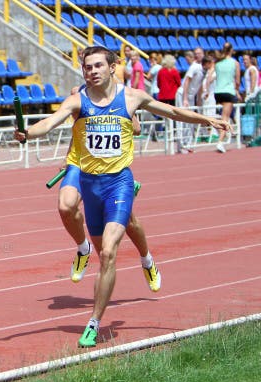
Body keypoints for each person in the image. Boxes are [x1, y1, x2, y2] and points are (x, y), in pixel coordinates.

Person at [14, 46, 230, 348]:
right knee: (104, 252)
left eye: (98, 66)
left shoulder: (132, 98)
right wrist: (27, 133)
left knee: (111, 253)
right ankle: (114, 254)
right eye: (87, 67)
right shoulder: (77, 100)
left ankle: (93, 321)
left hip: (119, 183)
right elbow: (49, 123)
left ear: (112, 67)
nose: (92, 71)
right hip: (90, 185)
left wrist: (208, 120)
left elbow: (173, 111)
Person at [59, 86, 159, 293]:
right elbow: (79, 130)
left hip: (111, 169)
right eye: (89, 66)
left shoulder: (122, 96)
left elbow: (137, 130)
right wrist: (68, 156)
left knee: (129, 222)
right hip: (80, 164)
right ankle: (82, 248)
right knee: (66, 207)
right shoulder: (77, 95)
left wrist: (115, 115)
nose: (93, 72)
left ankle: (147, 260)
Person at [175, 48, 205, 153]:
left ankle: (188, 144)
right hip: (183, 95)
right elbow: (187, 80)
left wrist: (199, 100)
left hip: (191, 97)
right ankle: (182, 145)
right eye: (196, 53)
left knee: (190, 120)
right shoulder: (195, 66)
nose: (197, 55)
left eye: (199, 53)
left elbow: (200, 85)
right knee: (183, 119)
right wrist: (185, 98)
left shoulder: (202, 67)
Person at [213, 42, 241, 153]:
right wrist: (237, 91)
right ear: (231, 50)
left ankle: (222, 133)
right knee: (225, 118)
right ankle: (220, 141)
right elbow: (238, 81)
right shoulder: (235, 63)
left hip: (218, 92)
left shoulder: (218, 63)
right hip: (228, 92)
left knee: (223, 117)